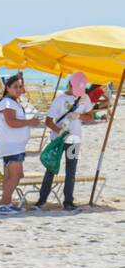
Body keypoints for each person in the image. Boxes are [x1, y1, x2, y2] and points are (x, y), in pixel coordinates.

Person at [34, 72, 95, 212]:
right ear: (71, 85)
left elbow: (90, 116)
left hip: (75, 139)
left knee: (71, 171)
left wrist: (79, 115)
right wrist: (59, 131)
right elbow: (48, 121)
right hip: (58, 140)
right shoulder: (60, 99)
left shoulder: (85, 98)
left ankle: (68, 202)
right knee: (51, 169)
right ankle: (41, 200)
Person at [0, 73, 42, 215]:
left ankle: (7, 203)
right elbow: (11, 122)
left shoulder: (13, 102)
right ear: (7, 88)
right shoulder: (7, 103)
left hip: (14, 144)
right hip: (11, 144)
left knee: (11, 175)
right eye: (15, 87)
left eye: (21, 86)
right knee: (15, 175)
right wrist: (30, 122)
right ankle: (3, 204)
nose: (18, 89)